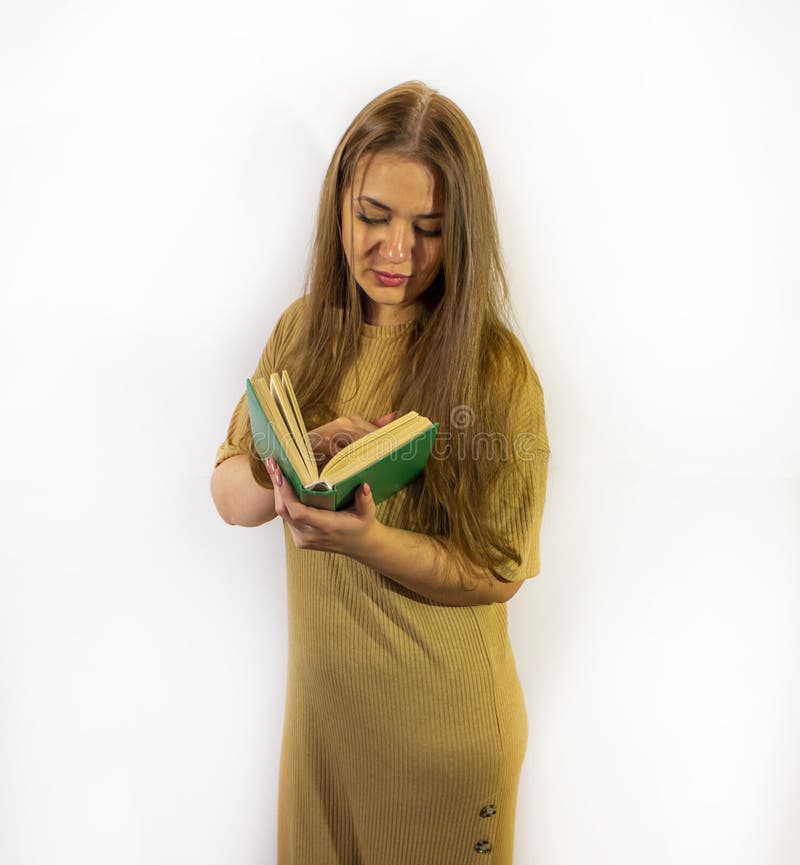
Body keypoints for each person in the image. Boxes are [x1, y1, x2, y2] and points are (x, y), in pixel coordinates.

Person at [210, 80, 550, 865]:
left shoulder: (495, 372)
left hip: (442, 745)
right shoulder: (302, 336)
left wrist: (364, 539)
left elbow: (498, 571)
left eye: (429, 229)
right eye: (373, 217)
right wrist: (286, 472)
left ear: (463, 231)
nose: (396, 252)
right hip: (326, 738)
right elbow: (229, 493)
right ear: (339, 207)